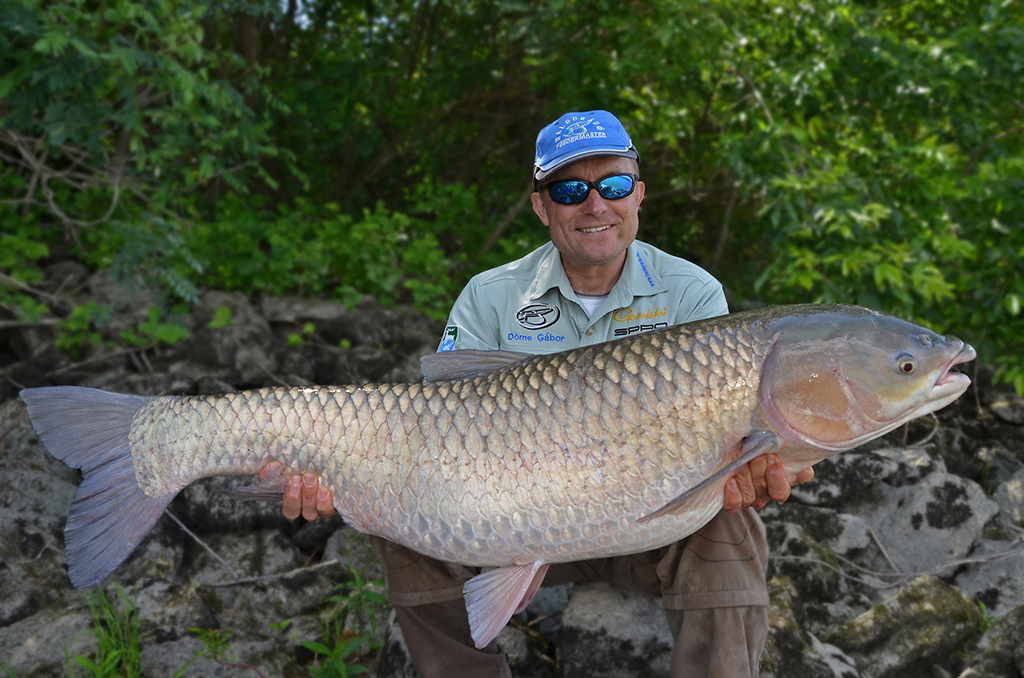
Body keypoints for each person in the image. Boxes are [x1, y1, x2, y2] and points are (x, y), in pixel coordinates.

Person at [270, 110, 813, 676]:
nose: (596, 205)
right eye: (571, 189)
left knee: (729, 519)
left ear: (639, 195)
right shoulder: (490, 295)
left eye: (615, 185)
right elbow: (430, 432)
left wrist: (760, 463)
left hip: (653, 525)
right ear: (541, 206)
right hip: (508, 522)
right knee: (404, 524)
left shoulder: (692, 293)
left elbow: (734, 440)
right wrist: (334, 471)